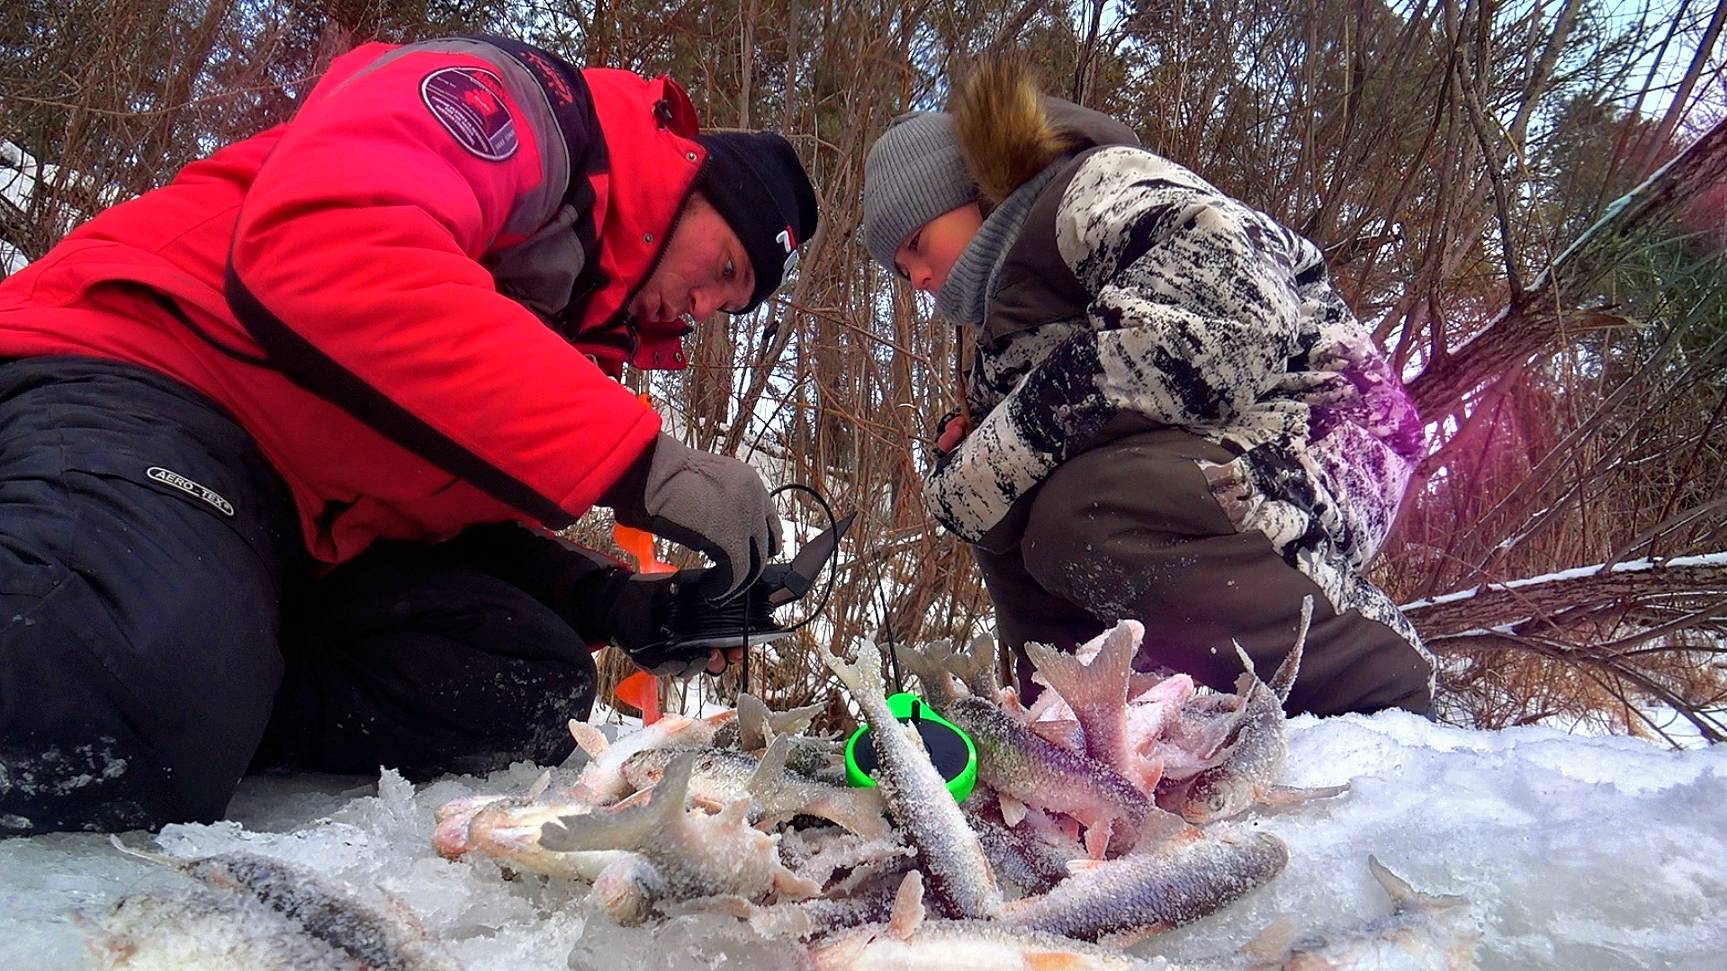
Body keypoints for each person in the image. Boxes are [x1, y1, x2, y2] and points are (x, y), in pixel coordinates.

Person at [0, 35, 819, 834]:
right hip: (143, 376)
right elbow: (324, 241)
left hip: (296, 530)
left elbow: (446, 529)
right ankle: (181, 677)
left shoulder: (561, 337)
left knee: (527, 682)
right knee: (108, 674)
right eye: (723, 269)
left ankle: (217, 681)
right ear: (686, 185)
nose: (706, 306)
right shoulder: (515, 110)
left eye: (731, 304)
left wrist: (615, 601)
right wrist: (639, 461)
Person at [859, 60, 1432, 717]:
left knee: (1081, 511)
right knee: (1015, 512)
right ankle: (1076, 718)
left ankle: (1381, 675)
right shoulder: (1004, 335)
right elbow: (1013, 502)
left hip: (1332, 426)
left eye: (916, 243)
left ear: (970, 191)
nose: (919, 277)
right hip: (1216, 455)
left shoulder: (1089, 190)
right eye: (901, 273)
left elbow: (1238, 313)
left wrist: (1016, 432)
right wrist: (977, 463)